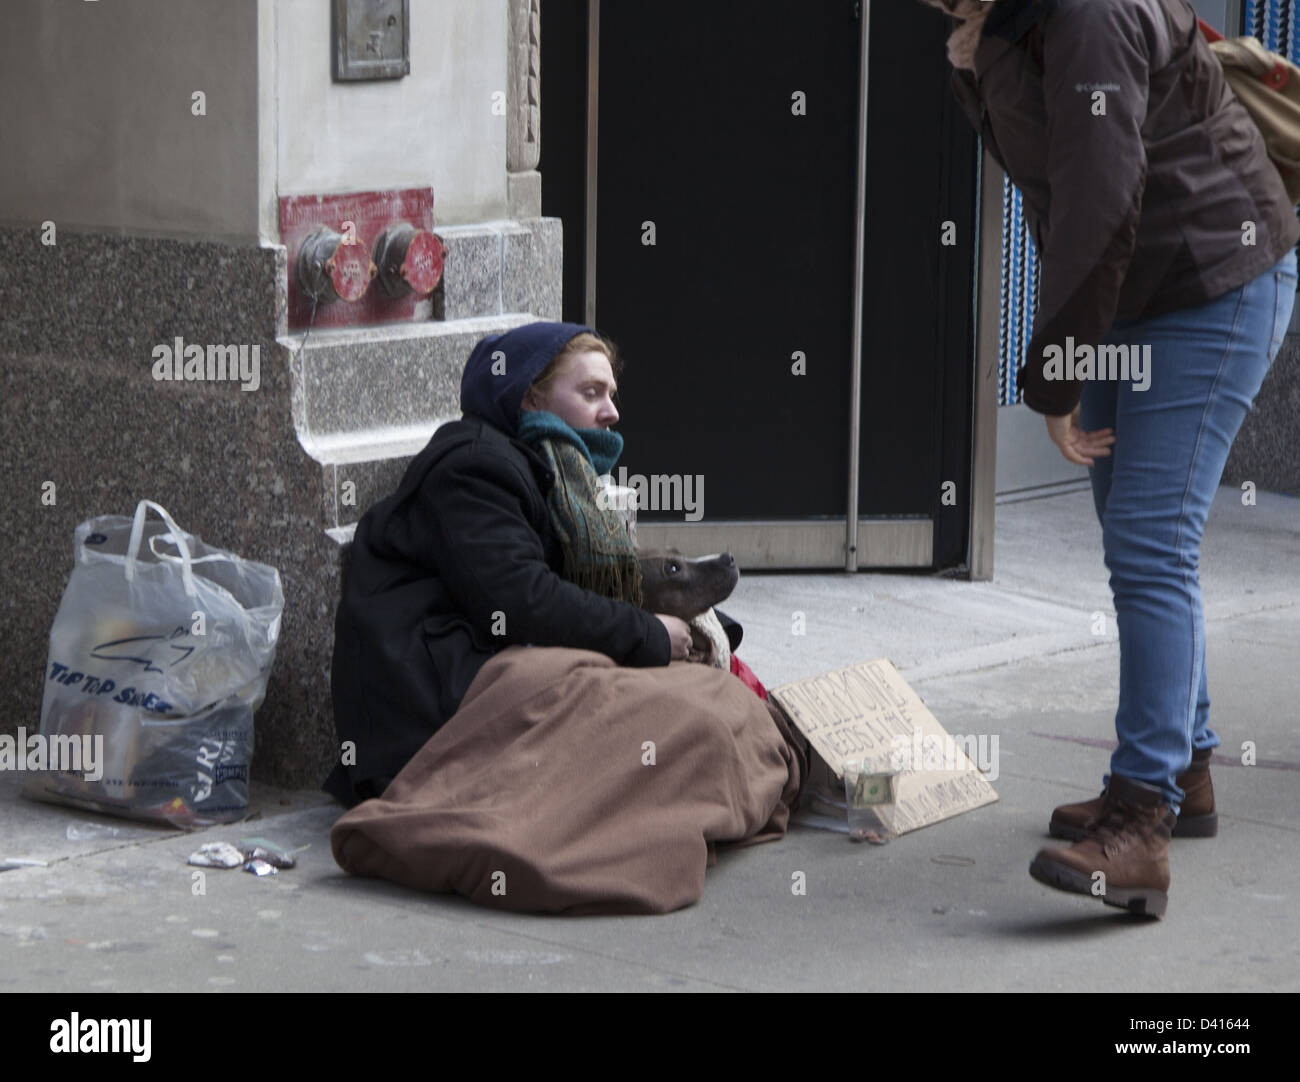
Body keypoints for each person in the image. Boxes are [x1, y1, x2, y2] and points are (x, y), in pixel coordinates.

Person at [922, 0, 1299, 915]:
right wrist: (976, 63)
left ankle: (1140, 824)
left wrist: (1053, 378)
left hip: (1210, 284)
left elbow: (1096, 196)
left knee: (1148, 542)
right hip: (1132, 287)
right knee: (1135, 536)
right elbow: (1044, 176)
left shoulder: (1085, 14)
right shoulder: (1000, 27)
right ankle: (1187, 764)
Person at [324, 321, 694, 807]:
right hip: (427, 717)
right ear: (530, 399)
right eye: (591, 392)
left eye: (611, 393)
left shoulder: (551, 473)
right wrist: (646, 634)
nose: (611, 412)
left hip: (478, 674)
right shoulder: (475, 466)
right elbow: (525, 600)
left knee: (680, 709)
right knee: (658, 722)